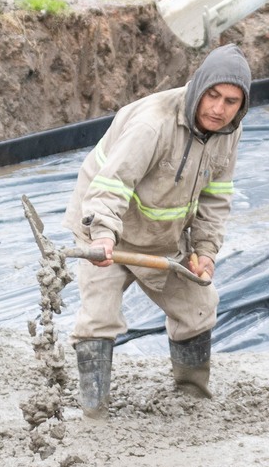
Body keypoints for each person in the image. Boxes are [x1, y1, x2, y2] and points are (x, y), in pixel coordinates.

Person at [63, 44, 251, 417]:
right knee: (98, 317)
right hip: (107, 230)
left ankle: (191, 397)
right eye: (213, 96)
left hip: (164, 236)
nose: (219, 109)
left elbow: (216, 198)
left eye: (231, 101)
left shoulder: (229, 131)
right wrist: (102, 234)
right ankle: (94, 411)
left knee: (199, 306)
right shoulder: (154, 123)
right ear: (198, 88)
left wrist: (206, 251)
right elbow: (112, 184)